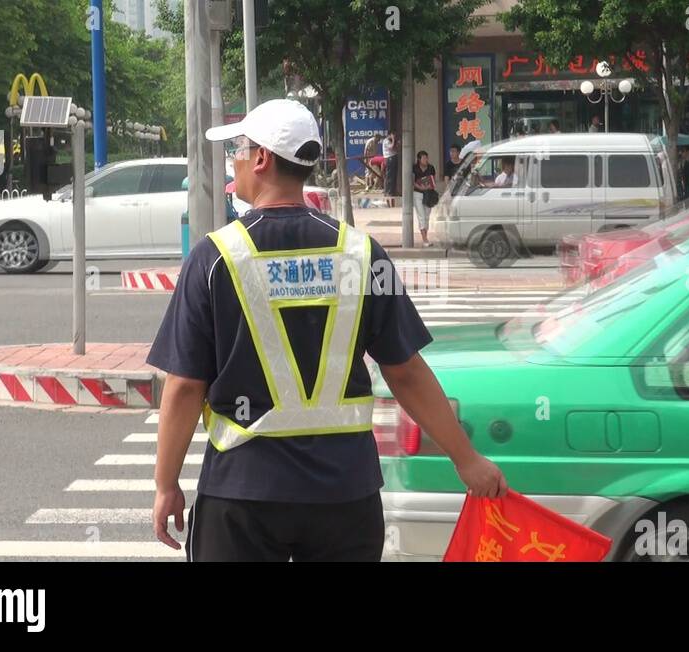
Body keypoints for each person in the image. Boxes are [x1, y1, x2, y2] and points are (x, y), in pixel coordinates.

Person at [149, 99, 506, 562]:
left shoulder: (214, 258)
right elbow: (406, 372)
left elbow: (183, 387)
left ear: (262, 159)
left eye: (239, 147)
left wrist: (166, 484)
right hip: (345, 497)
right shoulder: (361, 253)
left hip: (243, 496)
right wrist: (466, 459)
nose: (234, 158)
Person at [412, 150, 437, 247]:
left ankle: (425, 237)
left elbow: (433, 180)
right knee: (421, 216)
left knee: (427, 216)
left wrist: (429, 186)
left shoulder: (431, 168)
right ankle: (425, 239)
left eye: (427, 158)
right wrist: (420, 187)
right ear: (419, 159)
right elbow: (412, 181)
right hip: (418, 193)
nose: (426, 160)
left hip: (428, 194)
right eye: (424, 158)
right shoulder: (414, 168)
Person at [383, 131, 398, 207]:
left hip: (393, 158)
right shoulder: (386, 141)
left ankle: (392, 192)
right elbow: (392, 147)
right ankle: (388, 192)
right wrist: (393, 138)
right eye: (392, 135)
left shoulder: (391, 141)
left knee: (393, 177)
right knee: (390, 177)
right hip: (390, 159)